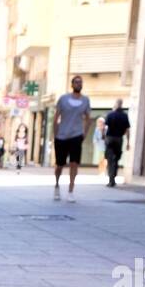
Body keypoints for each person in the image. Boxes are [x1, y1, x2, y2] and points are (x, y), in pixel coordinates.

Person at [53, 74, 92, 202]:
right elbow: (56, 117)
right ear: (72, 84)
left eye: (80, 83)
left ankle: (71, 190)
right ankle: (57, 186)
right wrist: (55, 134)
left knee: (74, 164)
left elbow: (88, 118)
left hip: (76, 136)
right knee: (59, 165)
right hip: (62, 136)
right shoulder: (63, 99)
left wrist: (84, 134)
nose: (78, 84)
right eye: (76, 82)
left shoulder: (85, 100)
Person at [103, 98, 130, 188]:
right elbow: (127, 130)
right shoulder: (124, 115)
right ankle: (112, 178)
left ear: (115, 104)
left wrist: (104, 136)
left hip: (110, 138)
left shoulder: (110, 114)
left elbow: (104, 127)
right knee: (115, 160)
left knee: (110, 159)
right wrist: (128, 142)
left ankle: (111, 180)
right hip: (119, 139)